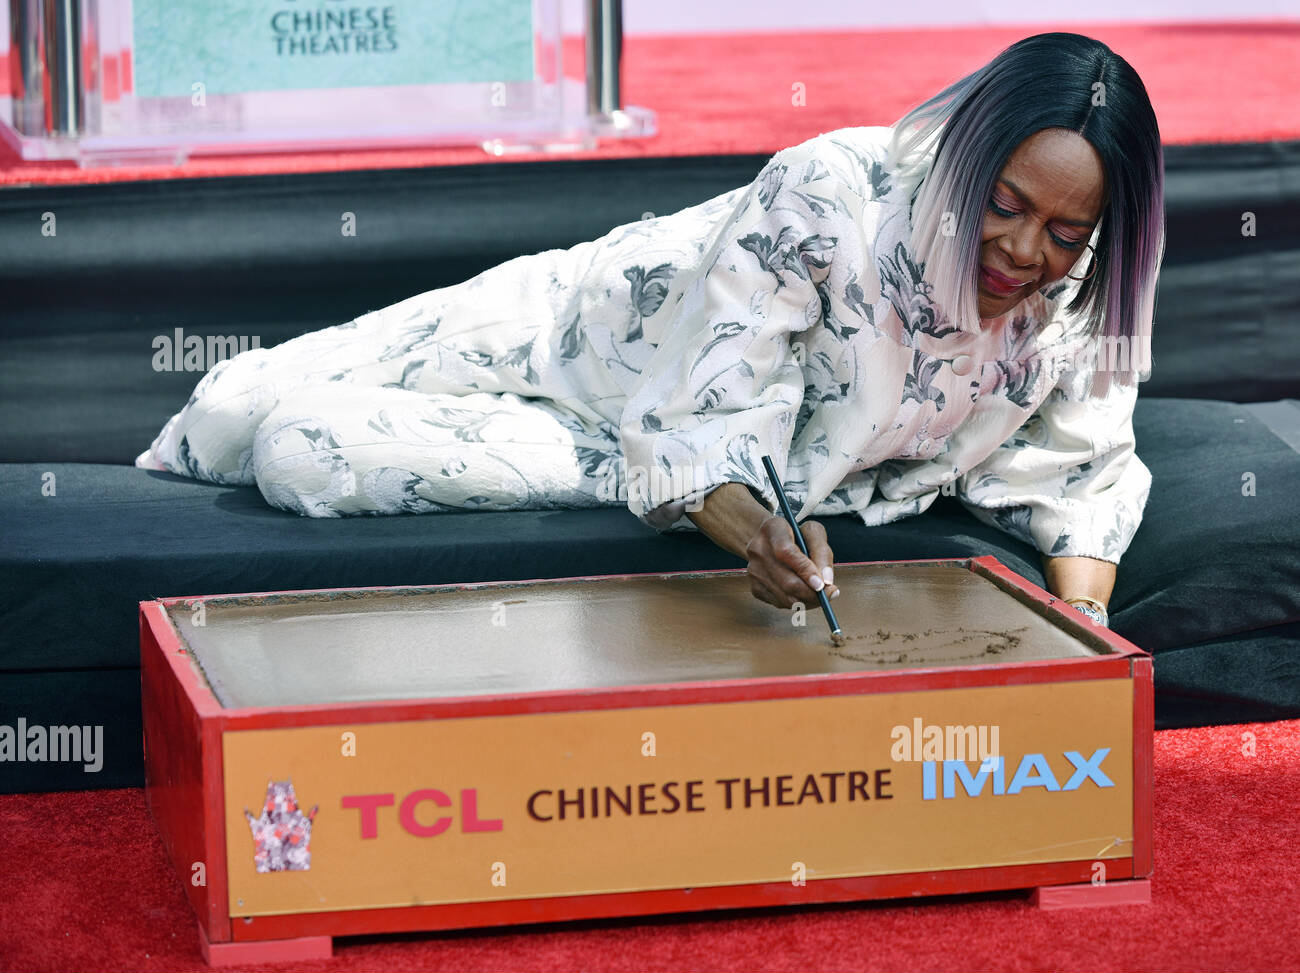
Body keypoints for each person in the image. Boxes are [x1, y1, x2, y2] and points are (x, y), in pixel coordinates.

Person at [135, 31, 1165, 630]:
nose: (1024, 251)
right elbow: (706, 409)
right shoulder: (832, 193)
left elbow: (1081, 475)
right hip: (571, 337)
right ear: (963, 161)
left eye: (1065, 232)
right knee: (225, 413)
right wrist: (752, 527)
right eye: (1003, 205)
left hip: (615, 445)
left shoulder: (1080, 295)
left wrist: (1084, 641)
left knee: (301, 453)